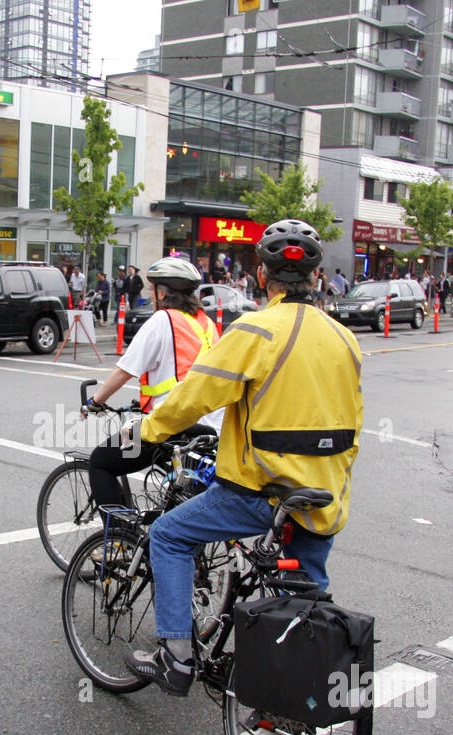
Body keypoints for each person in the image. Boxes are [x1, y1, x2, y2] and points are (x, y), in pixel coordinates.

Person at [121, 220, 363, 695]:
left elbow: (195, 396)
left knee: (168, 535)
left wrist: (146, 429)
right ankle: (287, 707)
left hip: (260, 490)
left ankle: (176, 658)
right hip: (322, 496)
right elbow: (353, 428)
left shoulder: (254, 329)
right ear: (315, 279)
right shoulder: (344, 338)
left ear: (260, 274)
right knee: (306, 602)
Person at [83, 257, 221, 510]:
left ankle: (117, 542)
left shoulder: (163, 320)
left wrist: (95, 402)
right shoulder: (207, 324)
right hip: (210, 429)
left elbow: (124, 371)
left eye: (152, 289)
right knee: (177, 490)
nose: (151, 294)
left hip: (175, 425)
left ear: (162, 292)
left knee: (100, 461)